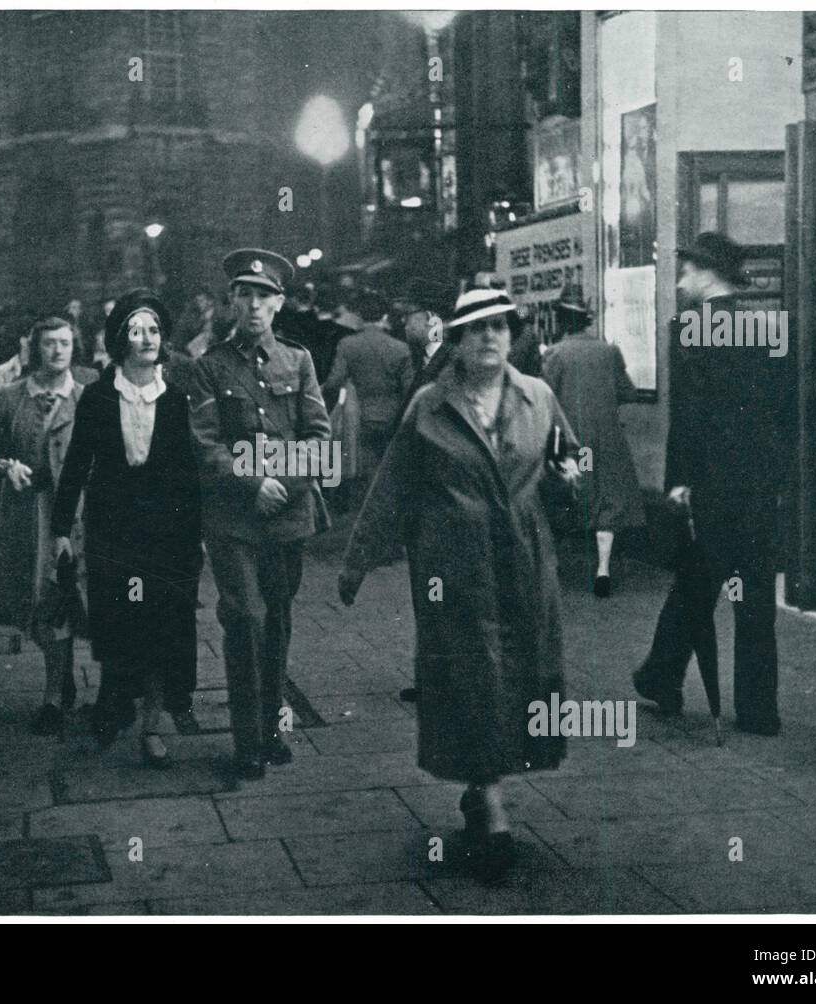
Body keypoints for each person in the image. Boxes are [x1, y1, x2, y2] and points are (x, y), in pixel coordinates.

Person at [338, 287, 579, 882]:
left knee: (519, 672)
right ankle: (489, 801)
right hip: (454, 566)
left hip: (523, 560)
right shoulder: (429, 405)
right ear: (457, 342)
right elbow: (392, 486)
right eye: (477, 330)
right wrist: (356, 561)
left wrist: (571, 474)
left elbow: (570, 458)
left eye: (500, 326)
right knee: (472, 672)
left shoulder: (538, 396)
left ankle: (485, 787)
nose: (491, 337)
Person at [632, 232, 783, 735]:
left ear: (706, 272)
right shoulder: (765, 328)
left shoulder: (691, 328)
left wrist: (679, 482)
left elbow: (690, 415)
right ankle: (760, 710)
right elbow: (778, 410)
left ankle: (661, 674)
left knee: (697, 583)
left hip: (712, 484)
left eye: (686, 271)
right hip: (757, 483)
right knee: (755, 595)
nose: (680, 281)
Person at [189, 248, 332, 781]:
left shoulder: (298, 361)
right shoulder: (209, 367)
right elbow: (205, 445)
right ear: (231, 302)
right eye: (243, 295)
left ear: (279, 304)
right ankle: (247, 742)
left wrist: (285, 482)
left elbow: (320, 437)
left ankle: (272, 731)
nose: (253, 305)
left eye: (263, 296)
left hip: (288, 514)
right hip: (233, 519)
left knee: (277, 620)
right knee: (245, 617)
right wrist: (254, 483)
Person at [52, 290, 202, 766]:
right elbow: (77, 463)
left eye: (154, 330)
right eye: (136, 331)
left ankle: (152, 727)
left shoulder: (177, 398)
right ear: (120, 339)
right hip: (113, 529)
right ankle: (114, 701)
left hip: (166, 534)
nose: (147, 339)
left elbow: (188, 472)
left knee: (163, 629)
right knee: (117, 624)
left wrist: (196, 534)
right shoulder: (98, 396)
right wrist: (60, 529)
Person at [0, 317, 99, 734]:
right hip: (29, 514)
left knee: (69, 595)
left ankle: (56, 693)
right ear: (35, 349)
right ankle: (58, 676)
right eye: (49, 344)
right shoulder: (10, 397)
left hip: (79, 512)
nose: (58, 351)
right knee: (38, 599)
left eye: (65, 343)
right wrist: (2, 464)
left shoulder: (88, 397)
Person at [542, 282, 645, 597]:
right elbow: (628, 391)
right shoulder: (609, 350)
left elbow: (544, 397)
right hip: (607, 439)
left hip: (573, 441)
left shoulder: (554, 354)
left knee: (564, 496)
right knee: (608, 500)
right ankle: (602, 569)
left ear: (561, 320)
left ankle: (556, 568)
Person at [321, 288, 414, 491]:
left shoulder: (347, 344)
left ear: (360, 317)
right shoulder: (401, 348)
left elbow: (334, 382)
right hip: (392, 417)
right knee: (385, 471)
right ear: (385, 316)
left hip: (358, 417)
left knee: (360, 468)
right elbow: (409, 390)